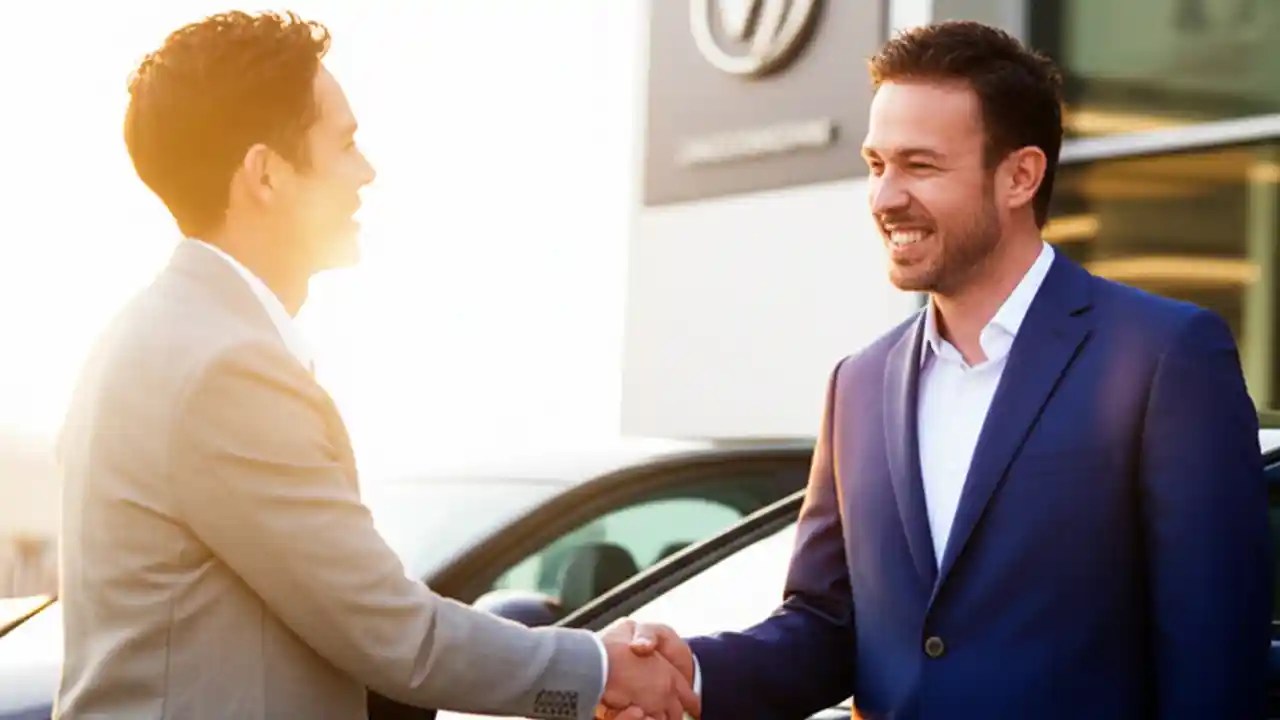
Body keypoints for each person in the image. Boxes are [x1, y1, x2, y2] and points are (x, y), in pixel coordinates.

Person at [607, 19, 1272, 720]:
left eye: (919, 166)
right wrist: (693, 670)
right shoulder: (858, 384)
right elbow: (830, 627)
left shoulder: (1164, 356)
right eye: (875, 164)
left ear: (1020, 176)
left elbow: (1213, 665)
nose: (885, 197)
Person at [54, 11, 696, 720]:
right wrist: (598, 669)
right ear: (265, 174)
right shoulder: (222, 367)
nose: (367, 172)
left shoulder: (160, 335)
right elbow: (392, 633)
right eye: (345, 143)